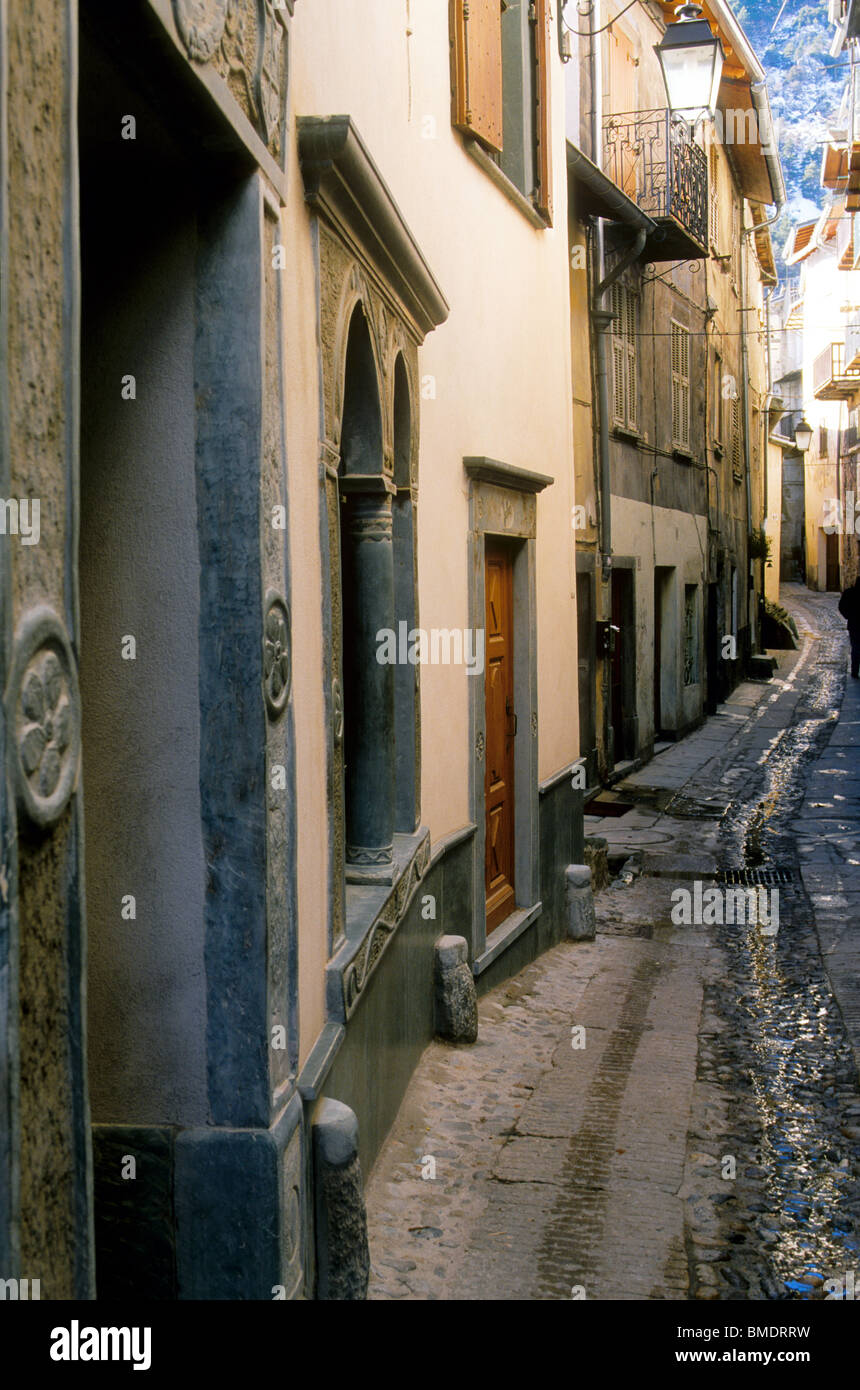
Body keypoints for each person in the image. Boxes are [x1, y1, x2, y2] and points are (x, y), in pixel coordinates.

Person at [838, 575, 860, 678]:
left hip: (854, 625)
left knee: (855, 648)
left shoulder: (849, 592)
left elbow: (841, 606)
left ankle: (854, 671)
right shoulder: (849, 593)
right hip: (854, 624)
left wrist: (848, 616)